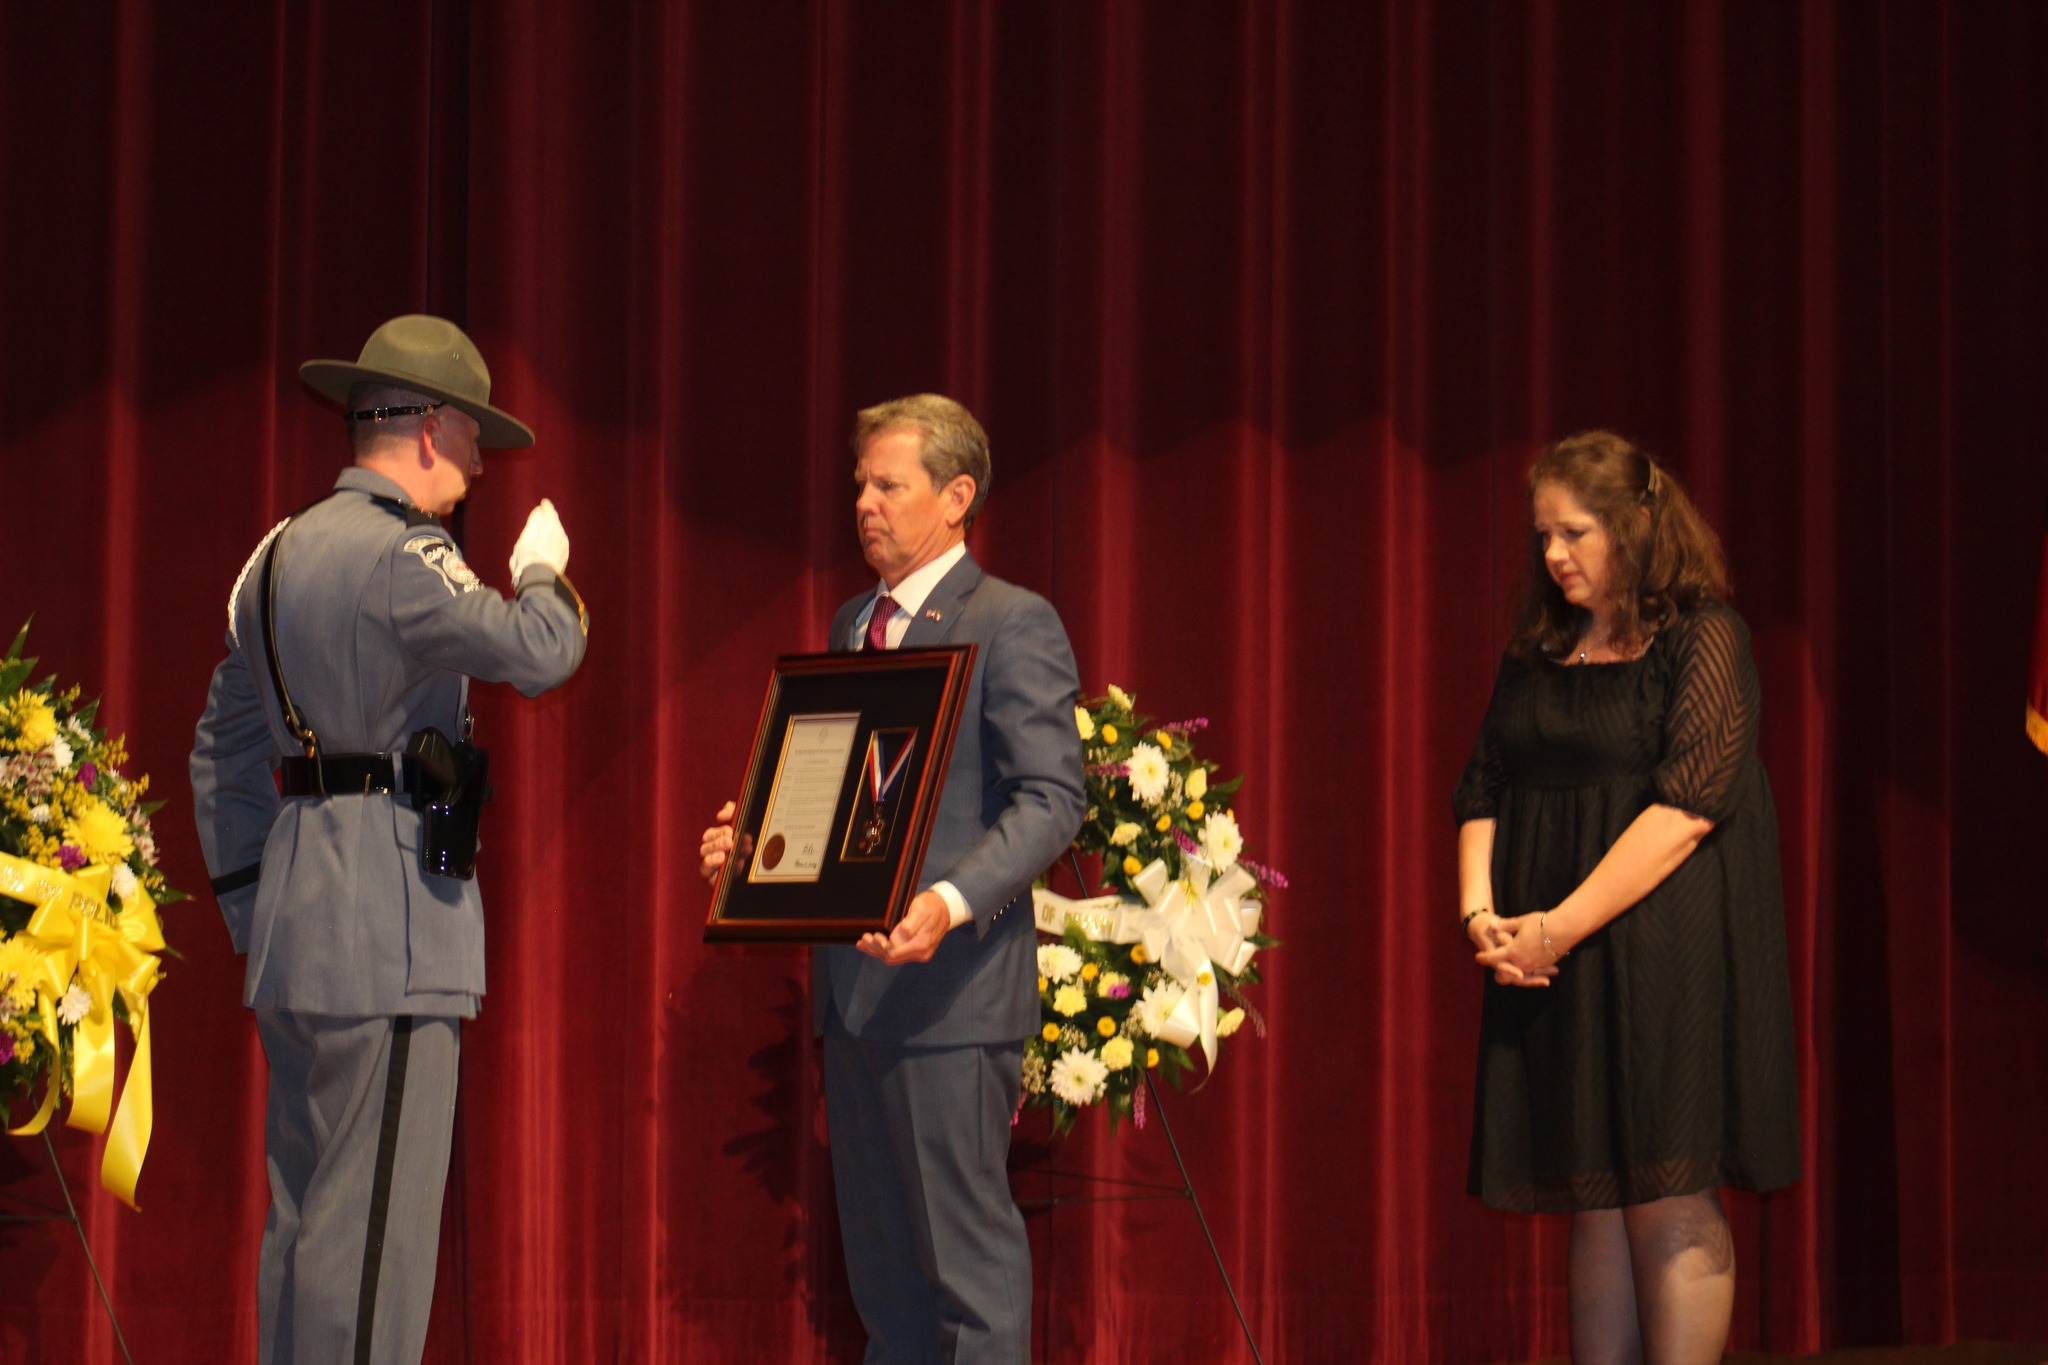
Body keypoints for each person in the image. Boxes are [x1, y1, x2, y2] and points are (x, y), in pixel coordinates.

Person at [190, 314, 590, 1365]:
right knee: (373, 1244)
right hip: (392, 932)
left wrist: (255, 905)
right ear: (428, 429)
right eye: (472, 439)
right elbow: (541, 652)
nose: (478, 465)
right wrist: (541, 573)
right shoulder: (409, 554)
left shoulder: (273, 557)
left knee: (304, 1222)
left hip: (296, 927)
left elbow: (222, 751)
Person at [699, 394, 1084, 1364]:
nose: (863, 503)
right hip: (857, 998)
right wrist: (758, 847)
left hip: (952, 996)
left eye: (887, 485)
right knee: (886, 1282)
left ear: (956, 497)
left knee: (967, 1275)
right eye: (859, 484)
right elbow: (844, 796)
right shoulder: (853, 622)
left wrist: (947, 903)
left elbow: (1050, 800)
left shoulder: (1011, 622)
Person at [1453, 430, 1798, 1365]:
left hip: (1667, 952)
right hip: (1551, 954)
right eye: (1544, 535)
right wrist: (1483, 918)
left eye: (1574, 532)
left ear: (1637, 526)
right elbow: (1481, 785)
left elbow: (1689, 807)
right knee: (1595, 1196)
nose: (1553, 554)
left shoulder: (1705, 636)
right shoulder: (1539, 649)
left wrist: (1554, 928)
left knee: (1668, 1189)